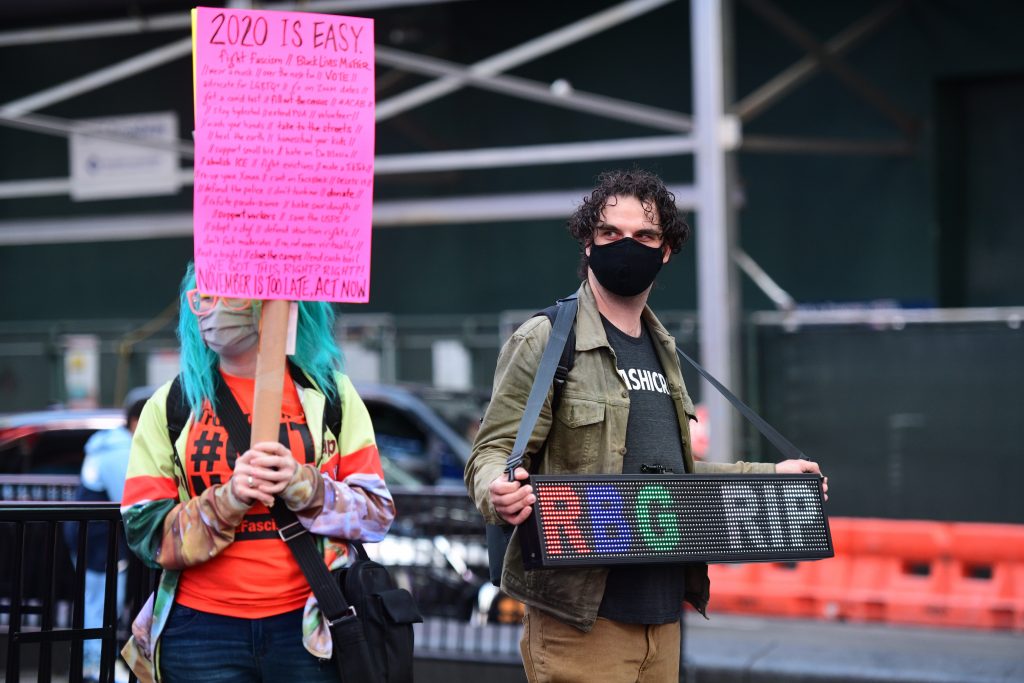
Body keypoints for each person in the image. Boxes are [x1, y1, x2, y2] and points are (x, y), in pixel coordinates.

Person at [464, 169, 828, 683]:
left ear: (666, 251)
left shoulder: (666, 353)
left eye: (645, 236)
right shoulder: (546, 340)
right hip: (582, 624)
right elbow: (491, 452)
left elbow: (672, 484)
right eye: (610, 233)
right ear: (588, 243)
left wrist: (773, 478)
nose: (625, 246)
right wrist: (496, 490)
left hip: (664, 622)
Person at [120, 263, 395, 683]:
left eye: (229, 296)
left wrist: (304, 486)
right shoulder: (172, 403)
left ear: (269, 301)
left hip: (310, 628)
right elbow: (144, 530)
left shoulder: (330, 394)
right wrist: (226, 501)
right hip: (199, 634)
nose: (213, 312)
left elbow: (376, 512)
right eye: (202, 299)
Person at [65, 396, 148, 683]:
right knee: (103, 603)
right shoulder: (119, 451)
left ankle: (97, 665)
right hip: (101, 542)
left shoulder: (108, 445)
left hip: (91, 538)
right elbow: (130, 500)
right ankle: (97, 668)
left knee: (97, 601)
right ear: (137, 422)